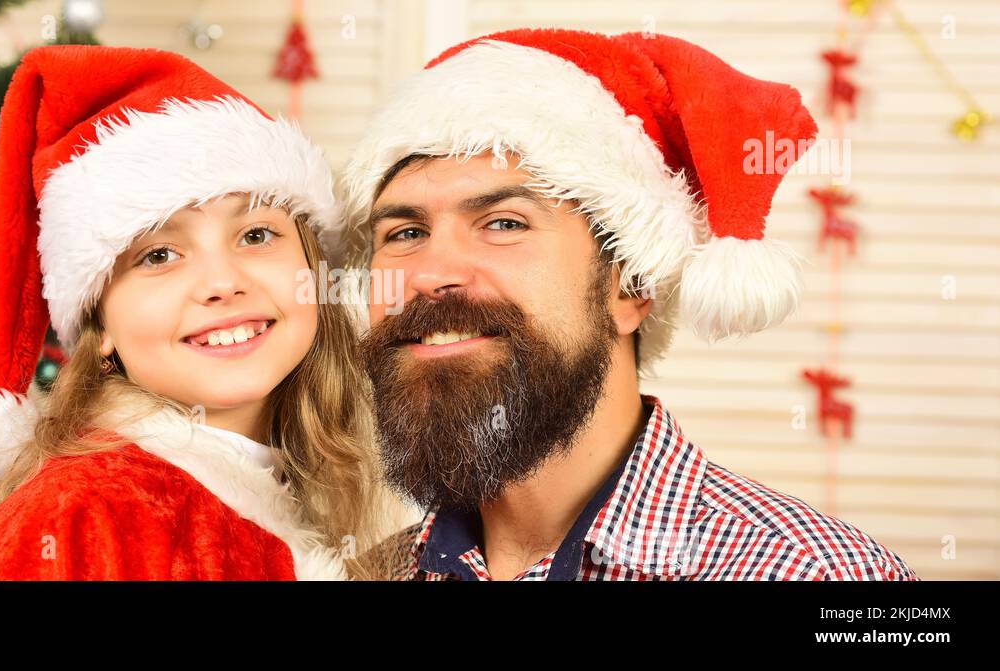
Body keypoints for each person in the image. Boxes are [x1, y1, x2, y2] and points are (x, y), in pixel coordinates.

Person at [341, 29, 919, 581]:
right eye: (405, 233)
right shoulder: (372, 570)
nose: (432, 273)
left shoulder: (815, 573)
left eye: (504, 223)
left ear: (631, 286)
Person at [0, 45, 392, 580]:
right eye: (159, 255)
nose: (222, 283)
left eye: (257, 234)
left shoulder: (343, 485)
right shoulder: (81, 516)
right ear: (100, 328)